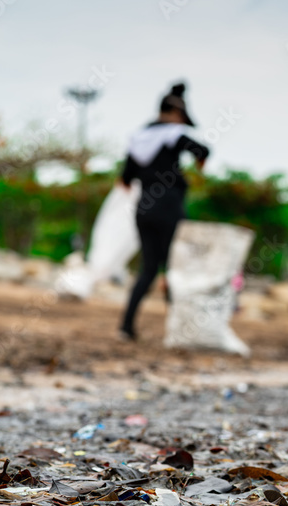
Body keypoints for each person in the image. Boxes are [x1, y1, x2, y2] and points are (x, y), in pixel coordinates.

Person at [118, 82, 209, 341]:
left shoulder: (139, 139)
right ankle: (178, 330)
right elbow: (202, 151)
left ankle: (126, 326)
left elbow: (125, 179)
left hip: (144, 207)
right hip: (169, 207)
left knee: (148, 269)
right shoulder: (174, 134)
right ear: (173, 114)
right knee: (175, 268)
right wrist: (198, 164)